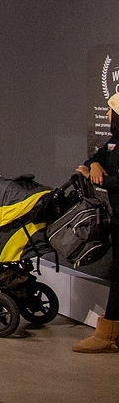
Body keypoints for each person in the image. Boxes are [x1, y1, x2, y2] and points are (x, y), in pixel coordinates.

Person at [71, 91, 119, 353]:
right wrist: (95, 165)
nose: (108, 113)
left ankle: (106, 335)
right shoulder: (114, 141)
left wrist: (96, 178)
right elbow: (97, 156)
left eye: (111, 110)